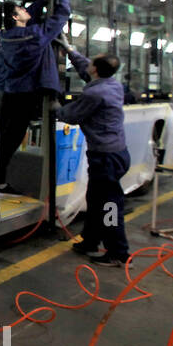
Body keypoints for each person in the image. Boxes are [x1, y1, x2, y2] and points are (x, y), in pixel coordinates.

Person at [0, 0, 71, 192]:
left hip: (10, 92)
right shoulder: (33, 37)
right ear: (15, 17)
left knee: (4, 138)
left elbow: (30, 17)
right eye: (21, 9)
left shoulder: (7, 36)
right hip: (25, 95)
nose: (26, 10)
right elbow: (60, 18)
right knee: (12, 140)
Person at [60, 48, 130, 268]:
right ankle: (90, 241)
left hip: (106, 158)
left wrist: (53, 108)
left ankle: (118, 252)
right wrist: (70, 50)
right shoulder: (114, 85)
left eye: (91, 62)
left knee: (109, 206)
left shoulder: (94, 94)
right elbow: (84, 68)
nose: (88, 64)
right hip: (117, 153)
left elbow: (71, 115)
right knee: (95, 199)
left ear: (96, 70)